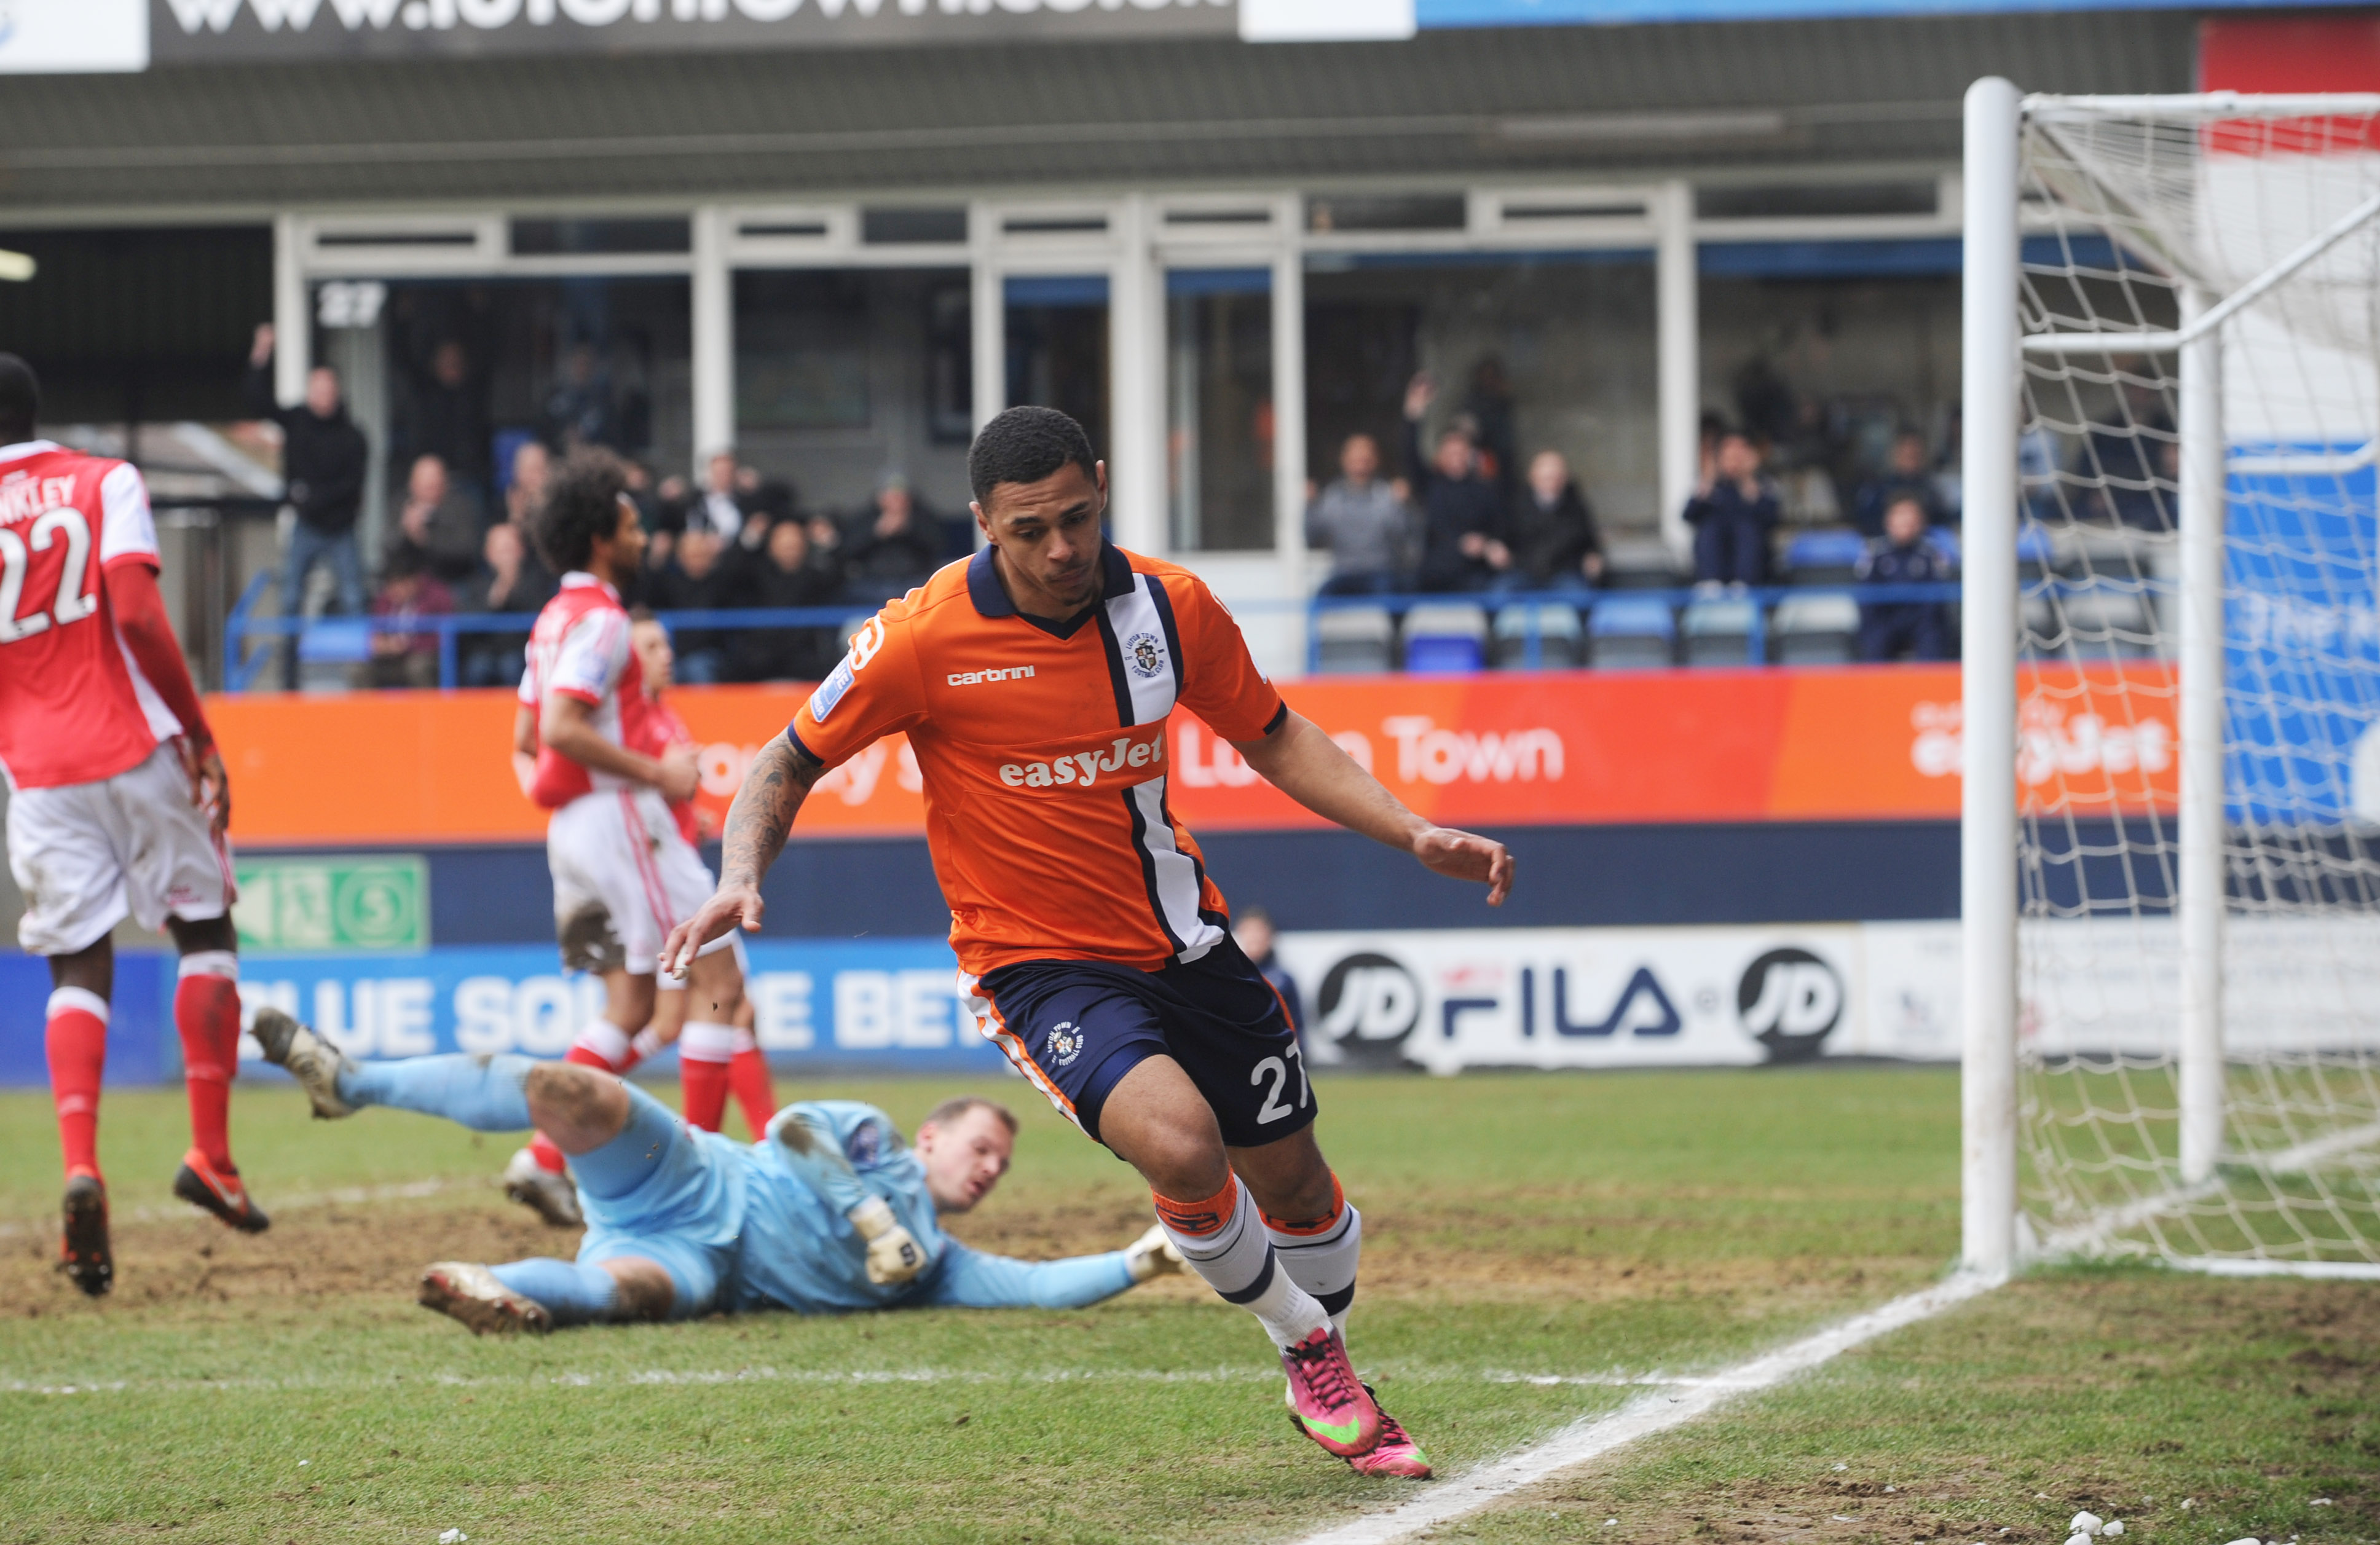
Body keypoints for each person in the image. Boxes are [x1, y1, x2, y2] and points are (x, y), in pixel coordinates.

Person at [662, 406, 1515, 1480]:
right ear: (984, 522)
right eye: (1029, 529)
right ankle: (1308, 1350)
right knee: (1183, 1144)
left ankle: (1320, 1334)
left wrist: (1409, 827)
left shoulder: (1171, 607)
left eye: (1077, 516)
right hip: (1034, 963)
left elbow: (1274, 732)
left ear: (1102, 487)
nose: (1061, 547)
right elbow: (784, 762)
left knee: (1299, 1187)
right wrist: (739, 872)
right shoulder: (919, 637)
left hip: (1184, 939)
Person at [248, 1019, 1188, 1334]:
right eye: (981, 1146)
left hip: (706, 1268)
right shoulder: (872, 1140)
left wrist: (1144, 1258)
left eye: (1003, 1165)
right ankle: (352, 1082)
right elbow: (789, 1126)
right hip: (691, 1174)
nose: (990, 1169)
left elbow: (1036, 1286)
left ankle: (481, 1284)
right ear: (933, 1136)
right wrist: (869, 1219)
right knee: (573, 1091)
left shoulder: (938, 1261)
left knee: (617, 1290)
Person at [0, 353, 271, 1296]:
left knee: (77, 961)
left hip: (35, 773)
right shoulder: (100, 479)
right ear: (38, 410)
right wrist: (198, 732)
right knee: (204, 928)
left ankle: (82, 1162)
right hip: (136, 742)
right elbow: (138, 609)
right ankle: (211, 1155)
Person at [502, 449, 751, 1228]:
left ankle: (540, 1159)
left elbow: (525, 736)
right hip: (619, 821)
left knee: (635, 1005)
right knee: (720, 980)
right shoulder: (605, 622)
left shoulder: (553, 617)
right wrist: (655, 775)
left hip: (578, 827)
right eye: (633, 523)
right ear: (604, 534)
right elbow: (562, 729)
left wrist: (562, 803)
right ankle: (703, 1175)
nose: (643, 535)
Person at [629, 608, 778, 1141]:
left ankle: (759, 1139)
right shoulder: (631, 721)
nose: (665, 655)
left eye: (665, 646)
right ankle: (754, 1142)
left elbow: (656, 807)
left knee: (685, 1017)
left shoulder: (662, 715)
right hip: (659, 879)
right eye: (650, 648)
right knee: (717, 1004)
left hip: (670, 868)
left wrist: (692, 820)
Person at [246, 323, 369, 686]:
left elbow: (352, 486)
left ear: (337, 392)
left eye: (328, 388)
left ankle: (361, 679)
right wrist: (262, 352)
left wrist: (310, 497)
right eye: (317, 388)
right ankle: (289, 683)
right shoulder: (297, 421)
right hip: (306, 527)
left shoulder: (353, 436)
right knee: (289, 601)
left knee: (354, 599)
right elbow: (256, 400)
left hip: (340, 528)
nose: (323, 395)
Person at [1402, 373, 1511, 592]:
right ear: (1440, 455)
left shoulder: (1485, 489)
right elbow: (1409, 453)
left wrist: (1487, 544)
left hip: (1474, 575)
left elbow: (1501, 531)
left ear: (1471, 454)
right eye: (1450, 452)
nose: (1456, 457)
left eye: (1461, 452)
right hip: (1434, 574)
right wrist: (1414, 412)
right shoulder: (1430, 483)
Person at [730, 517, 843, 683]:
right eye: (783, 542)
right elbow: (729, 576)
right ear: (771, 546)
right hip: (759, 656)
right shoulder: (755, 575)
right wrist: (749, 540)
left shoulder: (815, 575)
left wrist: (831, 545)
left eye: (795, 542)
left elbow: (840, 576)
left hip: (805, 655)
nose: (790, 547)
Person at [1303, 433, 1409, 596]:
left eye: (1365, 459)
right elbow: (1311, 537)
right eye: (1355, 459)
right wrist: (1309, 507)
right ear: (1344, 460)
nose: (1360, 465)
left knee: (1395, 599)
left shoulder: (1386, 495)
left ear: (1375, 461)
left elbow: (1402, 535)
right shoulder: (1333, 497)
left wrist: (1402, 506)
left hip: (1380, 574)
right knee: (1318, 601)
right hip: (1344, 574)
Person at [1856, 494, 1955, 662]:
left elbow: (1937, 596)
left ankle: (1931, 687)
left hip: (1921, 619)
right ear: (1888, 521)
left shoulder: (1931, 552)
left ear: (1921, 522)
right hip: (1886, 617)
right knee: (1874, 640)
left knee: (1933, 637)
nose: (1905, 522)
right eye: (1900, 516)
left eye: (1911, 517)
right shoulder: (1875, 552)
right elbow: (1866, 594)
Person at [458, 520, 556, 689]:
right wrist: (497, 594)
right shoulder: (477, 584)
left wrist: (513, 589)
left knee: (511, 666)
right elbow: (468, 623)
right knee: (478, 668)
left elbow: (541, 617)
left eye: (510, 549)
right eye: (501, 551)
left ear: (521, 551)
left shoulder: (536, 582)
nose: (506, 556)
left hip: (520, 649)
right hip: (486, 651)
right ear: (489, 554)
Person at [1684, 430, 1780, 588]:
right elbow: (1689, 515)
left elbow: (1771, 519)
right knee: (1710, 528)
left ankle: (1743, 584)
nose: (1734, 461)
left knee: (1747, 528)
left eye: (1740, 455)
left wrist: (1747, 480)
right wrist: (1708, 480)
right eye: (1729, 455)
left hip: (1753, 575)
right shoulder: (1711, 486)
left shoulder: (1764, 484)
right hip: (1713, 573)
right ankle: (1710, 584)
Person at [646, 526, 734, 685]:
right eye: (692, 556)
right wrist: (657, 559)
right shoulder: (669, 582)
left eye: (702, 555)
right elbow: (647, 595)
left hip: (709, 654)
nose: (698, 561)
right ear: (681, 557)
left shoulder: (722, 583)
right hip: (674, 652)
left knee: (697, 668)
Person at [838, 474, 944, 605]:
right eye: (890, 496)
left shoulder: (922, 517)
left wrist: (909, 530)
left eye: (900, 496)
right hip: (872, 583)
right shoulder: (865, 519)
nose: (896, 500)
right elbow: (848, 552)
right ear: (880, 497)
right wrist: (876, 533)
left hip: (914, 580)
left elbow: (936, 547)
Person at [385, 454, 484, 586]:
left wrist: (425, 539)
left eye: (434, 482)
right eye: (425, 483)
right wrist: (406, 532)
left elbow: (465, 551)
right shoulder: (401, 506)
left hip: (452, 580)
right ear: (412, 485)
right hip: (409, 584)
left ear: (445, 483)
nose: (431, 486)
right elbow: (388, 548)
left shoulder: (460, 506)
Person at [363, 551, 455, 690]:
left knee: (418, 667)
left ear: (412, 581)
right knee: (359, 669)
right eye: (390, 584)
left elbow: (447, 635)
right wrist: (381, 643)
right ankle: (369, 711)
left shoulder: (437, 596)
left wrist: (409, 645)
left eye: (398, 584)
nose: (394, 591)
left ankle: (427, 711)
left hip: (426, 658)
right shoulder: (385, 599)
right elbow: (376, 629)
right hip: (391, 660)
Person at [1514, 450, 1605, 588]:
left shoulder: (1576, 506)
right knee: (1499, 595)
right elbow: (1506, 538)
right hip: (1523, 571)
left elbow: (1589, 540)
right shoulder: (1516, 505)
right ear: (1533, 477)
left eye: (1557, 477)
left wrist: (1593, 556)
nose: (1553, 483)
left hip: (1565, 572)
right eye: (1547, 477)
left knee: (1581, 597)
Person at [1851, 430, 1950, 538]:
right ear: (1895, 454)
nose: (1910, 456)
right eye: (1906, 453)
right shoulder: (1878, 488)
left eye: (1914, 454)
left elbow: (1942, 524)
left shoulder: (1931, 491)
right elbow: (1866, 524)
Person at [1232, 906, 1301, 1046]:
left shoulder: (1283, 980)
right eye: (1248, 931)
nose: (1254, 937)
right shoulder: (1232, 977)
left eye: (1259, 930)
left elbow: (1297, 1025)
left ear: (1270, 935)